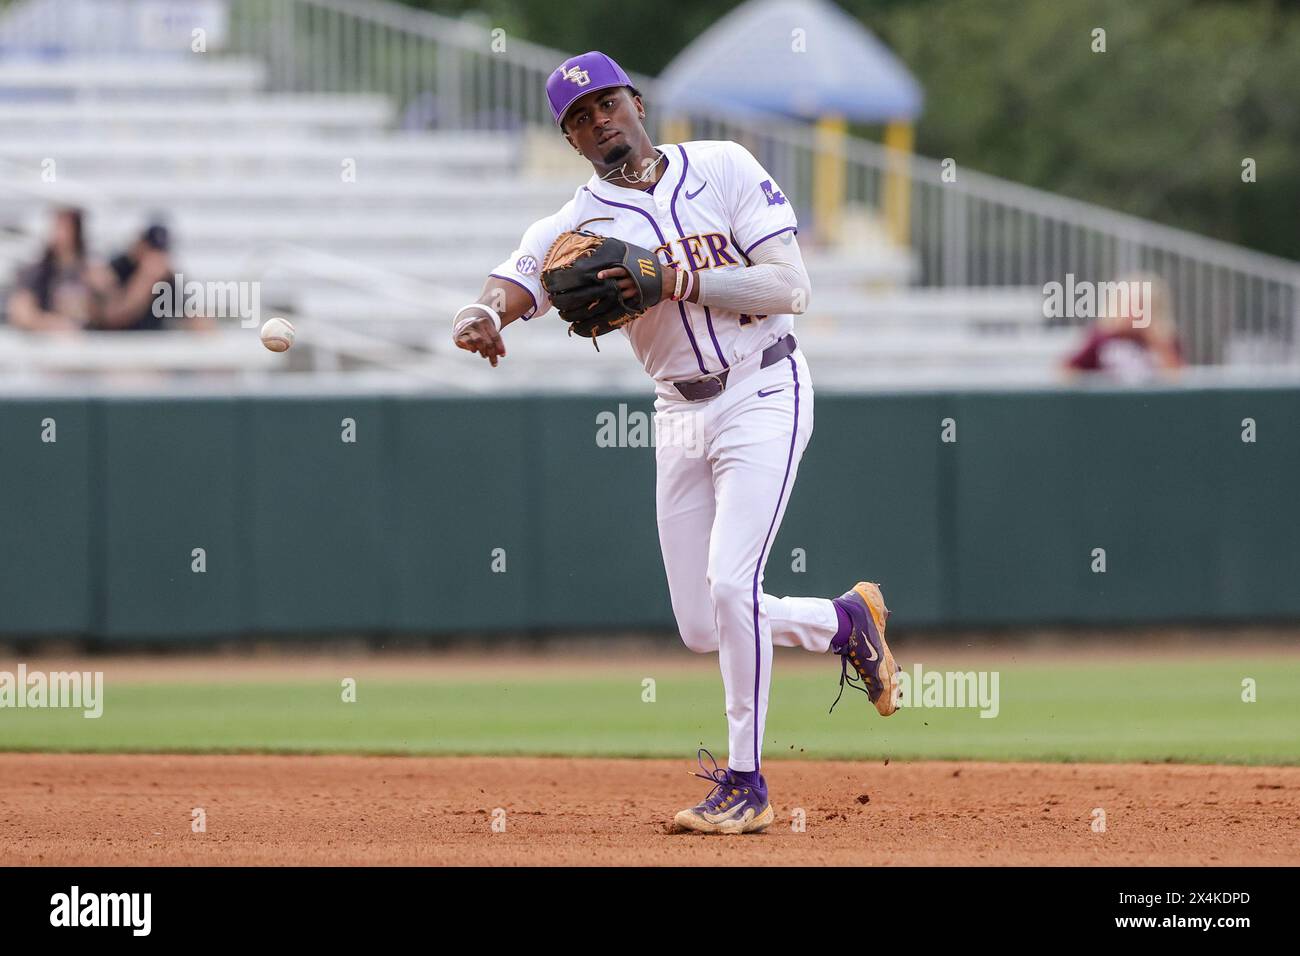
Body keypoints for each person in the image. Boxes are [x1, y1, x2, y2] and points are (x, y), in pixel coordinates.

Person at [452, 51, 900, 835]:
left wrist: (672, 279)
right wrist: (484, 317)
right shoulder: (572, 225)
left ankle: (746, 783)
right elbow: (513, 282)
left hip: (765, 386)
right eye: (580, 118)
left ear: (637, 103)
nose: (601, 122)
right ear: (572, 141)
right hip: (680, 412)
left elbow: (791, 286)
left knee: (732, 586)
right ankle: (843, 624)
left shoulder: (722, 167)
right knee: (701, 622)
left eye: (608, 104)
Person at [1063, 274, 1183, 382]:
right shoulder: (1102, 338)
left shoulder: (1164, 340)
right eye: (1130, 307)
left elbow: (1177, 376)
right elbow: (1068, 369)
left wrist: (1157, 344)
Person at [5, 207, 101, 331]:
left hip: (85, 341)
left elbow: (108, 314)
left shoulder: (91, 271)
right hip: (46, 343)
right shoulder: (37, 272)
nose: (59, 234)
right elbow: (20, 311)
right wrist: (52, 324)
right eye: (57, 227)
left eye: (66, 229)